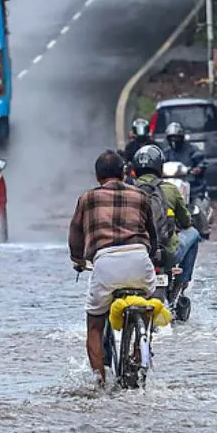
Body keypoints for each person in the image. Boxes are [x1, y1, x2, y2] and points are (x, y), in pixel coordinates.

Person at [69, 150, 159, 384]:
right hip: (140, 260)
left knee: (95, 325)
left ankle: (99, 382)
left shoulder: (87, 198)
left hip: (106, 264)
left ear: (97, 176)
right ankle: (140, 350)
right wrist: (149, 255)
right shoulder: (140, 196)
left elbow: (75, 234)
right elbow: (153, 234)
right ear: (123, 173)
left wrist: (78, 260)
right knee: (147, 303)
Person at [133, 144, 199, 288]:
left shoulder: (127, 191)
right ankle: (181, 282)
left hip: (134, 254)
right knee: (194, 234)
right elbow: (186, 221)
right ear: (159, 166)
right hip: (165, 254)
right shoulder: (170, 189)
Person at [162, 121, 207, 200]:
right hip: (170, 185)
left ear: (182, 137)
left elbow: (201, 161)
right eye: (171, 137)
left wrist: (198, 168)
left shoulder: (192, 149)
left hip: (192, 185)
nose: (174, 140)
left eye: (176, 137)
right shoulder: (166, 152)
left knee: (197, 204)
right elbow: (160, 163)